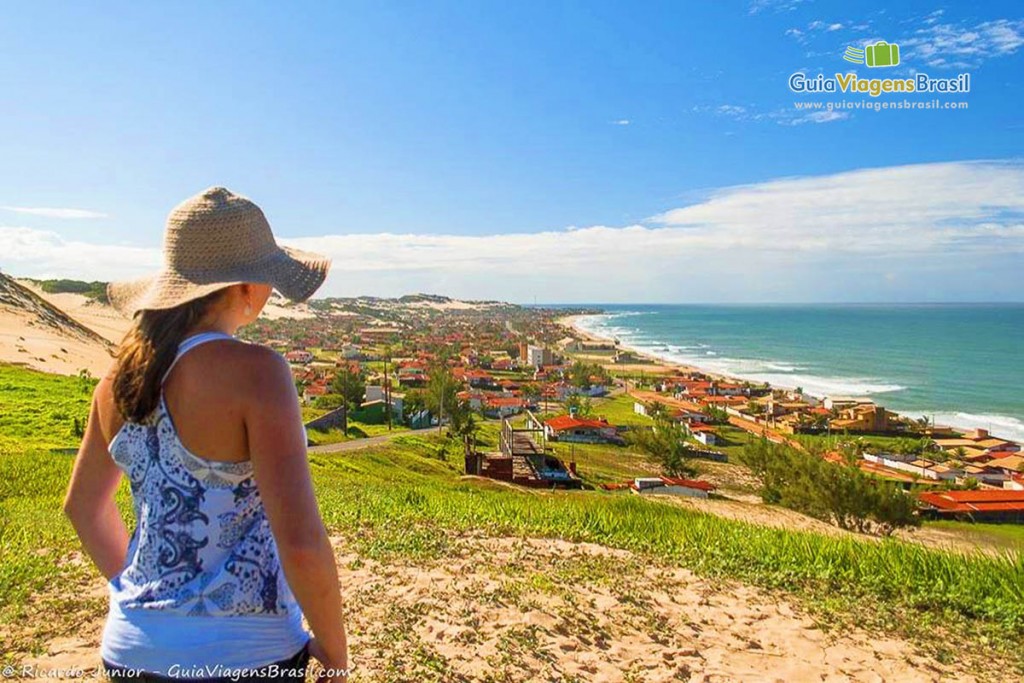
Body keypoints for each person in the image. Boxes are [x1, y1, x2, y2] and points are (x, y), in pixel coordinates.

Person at [63, 186, 349, 681]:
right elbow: (301, 543)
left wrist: (144, 607)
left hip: (129, 649)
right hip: (245, 654)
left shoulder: (118, 380)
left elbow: (83, 508)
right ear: (245, 287)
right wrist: (336, 654)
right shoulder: (257, 373)